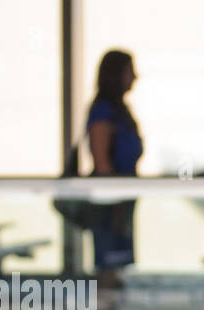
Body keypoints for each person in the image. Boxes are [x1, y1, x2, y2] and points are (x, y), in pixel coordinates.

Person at [86, 49, 143, 292]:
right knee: (108, 267)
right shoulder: (103, 111)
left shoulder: (120, 110)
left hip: (122, 200)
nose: (135, 77)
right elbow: (102, 163)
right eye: (130, 71)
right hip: (111, 205)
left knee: (117, 266)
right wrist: (116, 204)